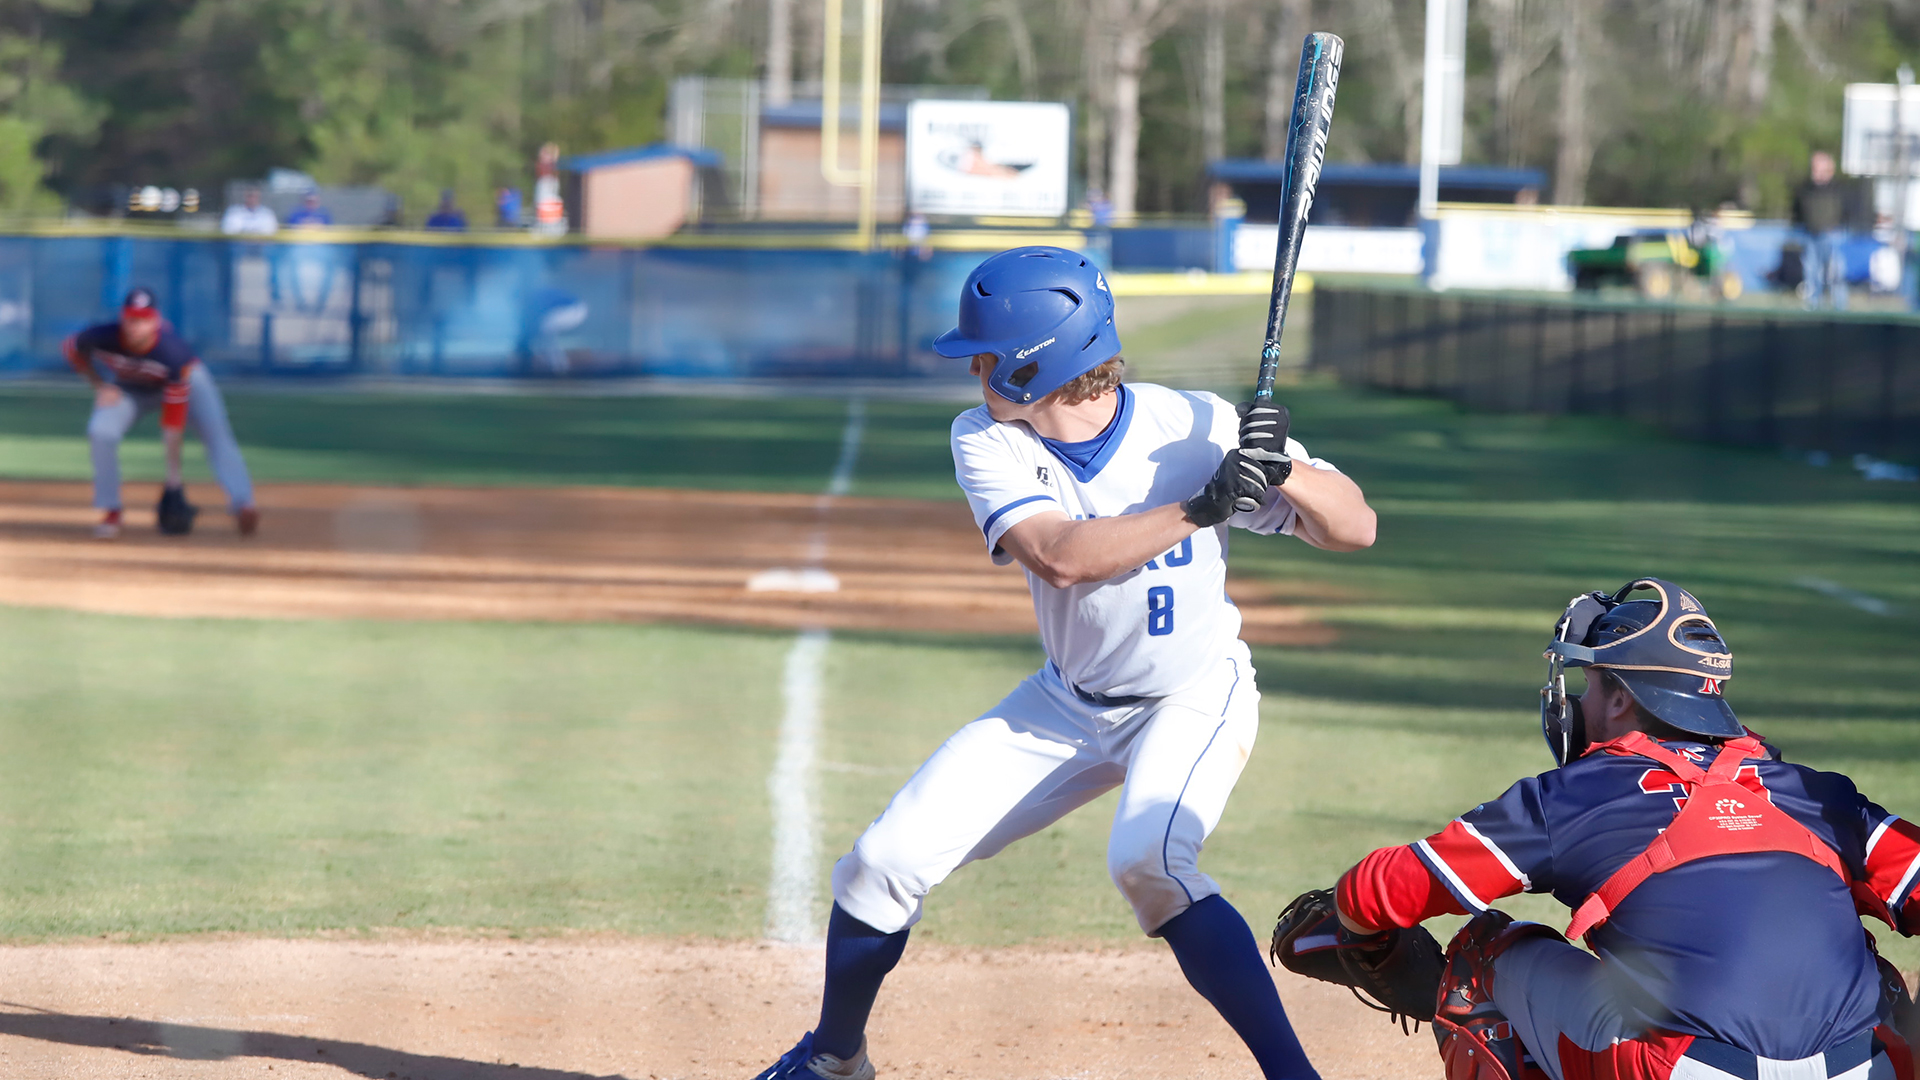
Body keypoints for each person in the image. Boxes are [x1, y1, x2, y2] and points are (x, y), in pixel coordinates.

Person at [752, 246, 1377, 1080]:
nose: (973, 366)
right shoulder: (987, 438)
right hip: (1066, 704)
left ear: (1037, 362)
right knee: (881, 864)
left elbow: (1357, 528)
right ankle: (833, 1057)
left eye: (986, 354)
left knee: (1149, 862)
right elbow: (1061, 557)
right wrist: (1202, 506)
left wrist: (1286, 469)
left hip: (1192, 694)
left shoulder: (1193, 424)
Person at [1329, 578, 1918, 1080]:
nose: (1580, 702)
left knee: (1482, 952)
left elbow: (1377, 892)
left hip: (1685, 1069)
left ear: (1619, 699)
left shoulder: (1576, 793)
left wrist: (1361, 942)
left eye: (1589, 684)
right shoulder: (1822, 796)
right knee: (1879, 984)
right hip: (1863, 1068)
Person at [63, 289, 260, 539]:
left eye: (144, 319)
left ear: (156, 321)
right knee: (100, 431)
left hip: (187, 382)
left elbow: (172, 425)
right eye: (132, 318)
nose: (136, 325)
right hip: (131, 387)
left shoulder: (173, 354)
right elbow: (70, 348)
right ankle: (111, 509)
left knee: (216, 433)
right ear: (123, 318)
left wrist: (173, 481)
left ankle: (243, 502)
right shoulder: (102, 336)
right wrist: (100, 386)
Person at [1791, 151, 1868, 310]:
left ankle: (1840, 307)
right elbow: (1798, 211)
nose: (1817, 173)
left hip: (1834, 235)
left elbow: (1848, 211)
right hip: (1810, 234)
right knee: (1812, 273)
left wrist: (1840, 226)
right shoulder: (1806, 189)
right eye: (1814, 168)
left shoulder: (1839, 189)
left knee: (1835, 273)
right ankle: (1813, 306)